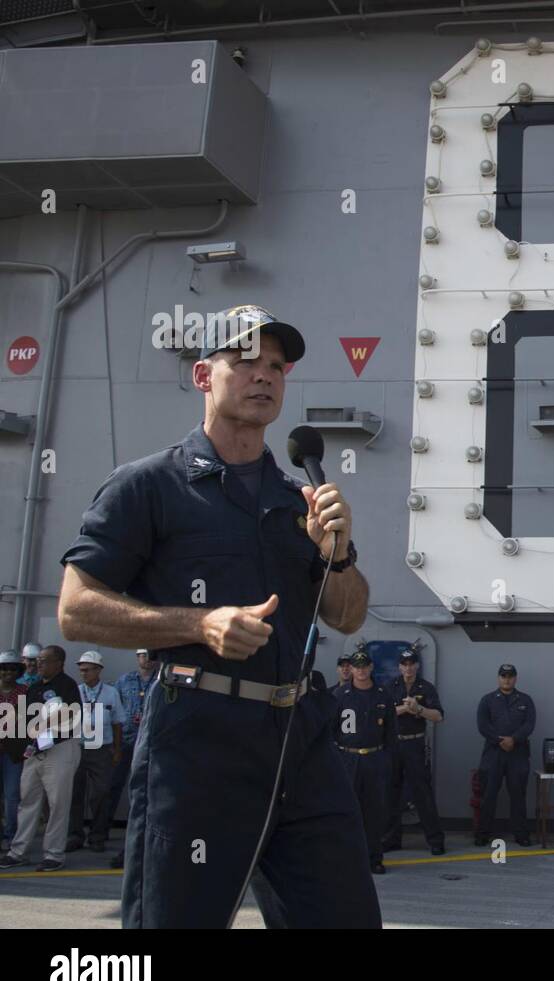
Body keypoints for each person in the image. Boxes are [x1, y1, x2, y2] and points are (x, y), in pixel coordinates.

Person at [56, 304, 380, 928]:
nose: (265, 376)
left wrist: (337, 556)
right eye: (246, 361)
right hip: (199, 740)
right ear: (204, 375)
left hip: (300, 740)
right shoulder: (147, 486)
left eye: (277, 367)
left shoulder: (298, 501)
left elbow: (347, 616)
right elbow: (75, 609)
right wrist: (197, 625)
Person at [0, 646, 83, 871]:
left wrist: (40, 726)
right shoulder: (34, 687)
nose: (39, 664)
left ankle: (54, 855)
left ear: (59, 663)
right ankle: (18, 851)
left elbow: (70, 715)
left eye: (44, 661)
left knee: (57, 804)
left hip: (60, 749)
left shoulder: (68, 686)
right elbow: (21, 717)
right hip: (34, 751)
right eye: (38, 661)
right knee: (27, 800)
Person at [334, 649, 395, 873]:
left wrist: (386, 762)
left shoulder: (382, 695)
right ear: (351, 669)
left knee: (374, 812)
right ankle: (346, 859)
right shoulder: (340, 696)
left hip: (374, 759)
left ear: (370, 668)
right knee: (347, 811)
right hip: (348, 759)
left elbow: (390, 733)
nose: (360, 670)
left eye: (364, 666)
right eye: (356, 666)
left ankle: (374, 859)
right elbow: (331, 733)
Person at [383, 646, 445, 855]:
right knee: (392, 792)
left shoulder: (426, 688)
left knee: (422, 793)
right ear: (399, 667)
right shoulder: (390, 687)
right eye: (404, 665)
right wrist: (404, 709)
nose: (408, 669)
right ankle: (391, 839)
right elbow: (381, 714)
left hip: (415, 745)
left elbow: (438, 716)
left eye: (411, 664)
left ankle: (435, 840)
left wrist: (419, 709)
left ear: (417, 666)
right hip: (393, 745)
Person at [106, 650, 159, 868]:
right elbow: (115, 714)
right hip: (126, 741)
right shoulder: (124, 681)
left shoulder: (162, 680)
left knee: (141, 793)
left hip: (150, 743)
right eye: (142, 655)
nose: (145, 659)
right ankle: (99, 833)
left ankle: (132, 848)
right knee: (112, 787)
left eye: (149, 655)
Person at [66, 650, 122, 853]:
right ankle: (74, 835)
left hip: (101, 748)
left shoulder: (110, 692)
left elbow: (117, 722)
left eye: (88, 670)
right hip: (78, 747)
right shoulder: (75, 691)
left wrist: (116, 749)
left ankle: (97, 836)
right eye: (81, 670)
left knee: (101, 792)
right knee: (75, 793)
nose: (84, 674)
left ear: (98, 670)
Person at [474, 664, 535, 847]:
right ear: (498, 678)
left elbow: (529, 725)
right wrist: (500, 740)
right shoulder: (487, 700)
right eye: (503, 676)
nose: (506, 679)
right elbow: (483, 725)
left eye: (510, 676)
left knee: (518, 795)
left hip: (518, 753)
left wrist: (513, 739)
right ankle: (483, 834)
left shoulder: (525, 700)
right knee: (489, 794)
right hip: (494, 753)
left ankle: (521, 834)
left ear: (515, 678)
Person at [0, 650, 27, 852]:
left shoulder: (26, 691)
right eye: (3, 668)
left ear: (18, 671)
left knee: (12, 796)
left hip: (13, 754)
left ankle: (10, 835)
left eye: (12, 668)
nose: (7, 672)